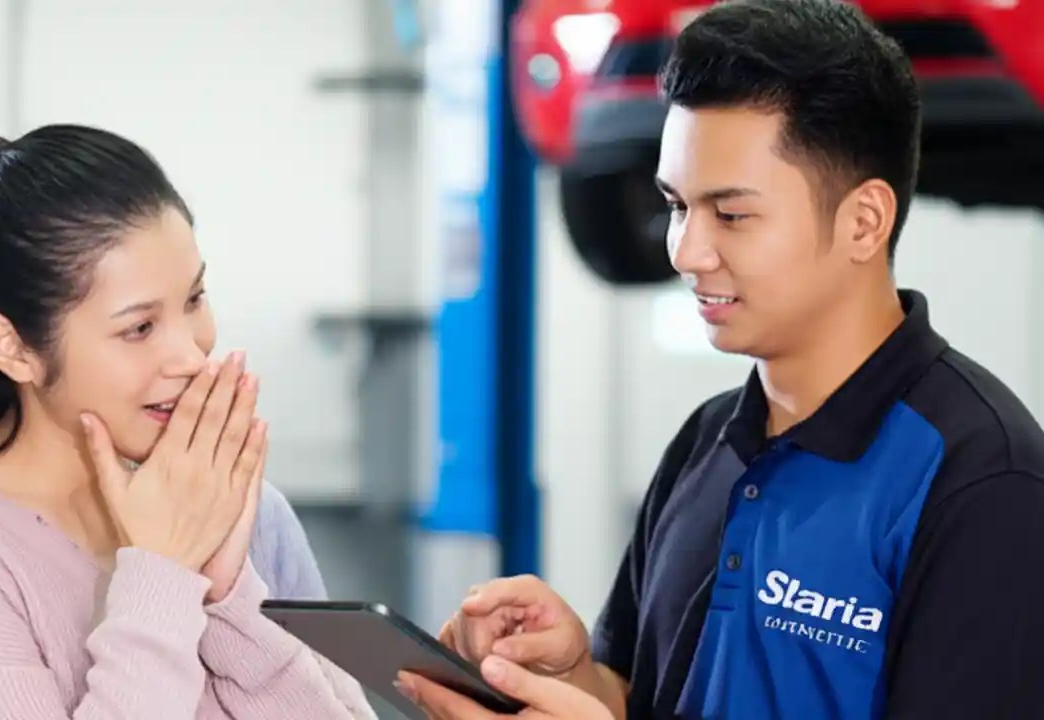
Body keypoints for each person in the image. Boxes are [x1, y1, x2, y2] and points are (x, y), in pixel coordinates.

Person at [405, 0, 1044, 718]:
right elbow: (655, 701)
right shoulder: (709, 442)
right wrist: (579, 675)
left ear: (864, 221)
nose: (685, 250)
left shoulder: (984, 479)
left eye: (731, 214)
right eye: (677, 205)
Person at [0, 124, 378, 719]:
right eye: (139, 328)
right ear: (14, 348)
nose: (192, 354)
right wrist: (164, 574)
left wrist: (228, 595)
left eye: (195, 299)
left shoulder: (247, 515)